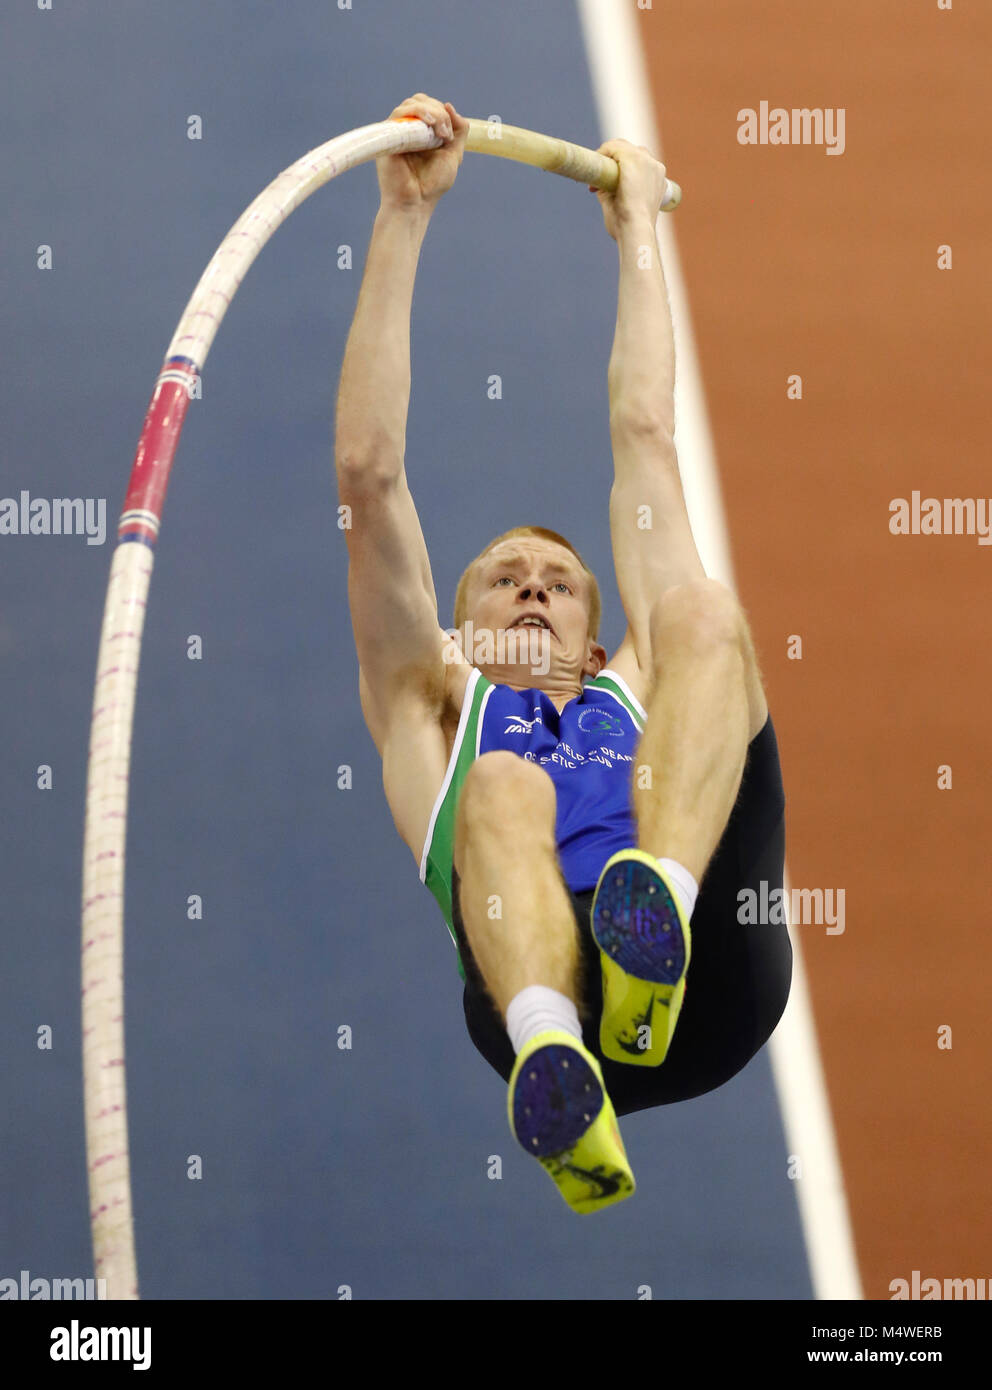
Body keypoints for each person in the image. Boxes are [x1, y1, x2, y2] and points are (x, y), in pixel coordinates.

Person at [334, 93, 792, 1213]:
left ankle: (660, 918)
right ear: (457, 623)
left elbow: (642, 431)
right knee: (495, 785)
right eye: (503, 576)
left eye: (559, 580)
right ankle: (560, 1070)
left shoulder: (630, 681)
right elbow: (368, 476)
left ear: (594, 632)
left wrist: (635, 229)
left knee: (701, 614)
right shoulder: (429, 713)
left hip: (715, 982)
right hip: (538, 985)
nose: (534, 584)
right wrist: (402, 218)